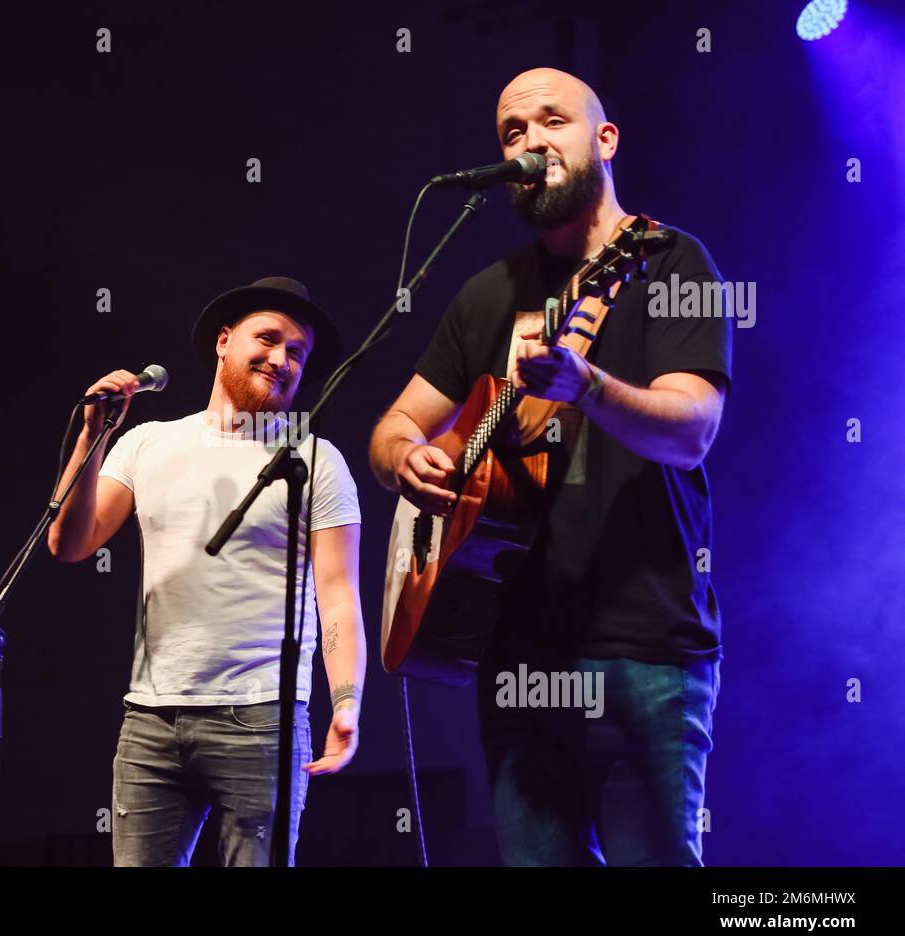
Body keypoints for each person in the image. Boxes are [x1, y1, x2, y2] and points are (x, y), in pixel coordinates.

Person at [369, 68, 732, 866]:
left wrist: (589, 386)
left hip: (644, 646)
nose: (530, 141)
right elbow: (393, 425)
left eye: (551, 120)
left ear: (604, 140)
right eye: (511, 132)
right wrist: (407, 460)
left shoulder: (670, 264)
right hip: (516, 652)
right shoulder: (486, 294)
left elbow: (693, 431)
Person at [50, 276, 366, 866]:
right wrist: (93, 437)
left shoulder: (316, 459)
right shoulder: (147, 444)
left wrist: (345, 701)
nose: (281, 359)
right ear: (224, 341)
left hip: (263, 719)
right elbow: (70, 544)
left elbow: (339, 595)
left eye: (298, 353)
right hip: (150, 719)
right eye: (267, 339)